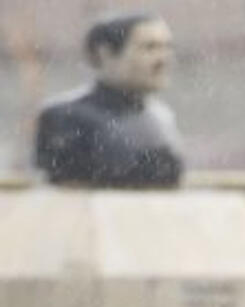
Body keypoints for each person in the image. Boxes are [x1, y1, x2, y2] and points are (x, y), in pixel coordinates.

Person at [34, 12, 183, 188]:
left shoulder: (162, 116)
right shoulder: (65, 117)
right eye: (149, 48)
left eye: (167, 47)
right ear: (104, 54)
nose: (164, 59)